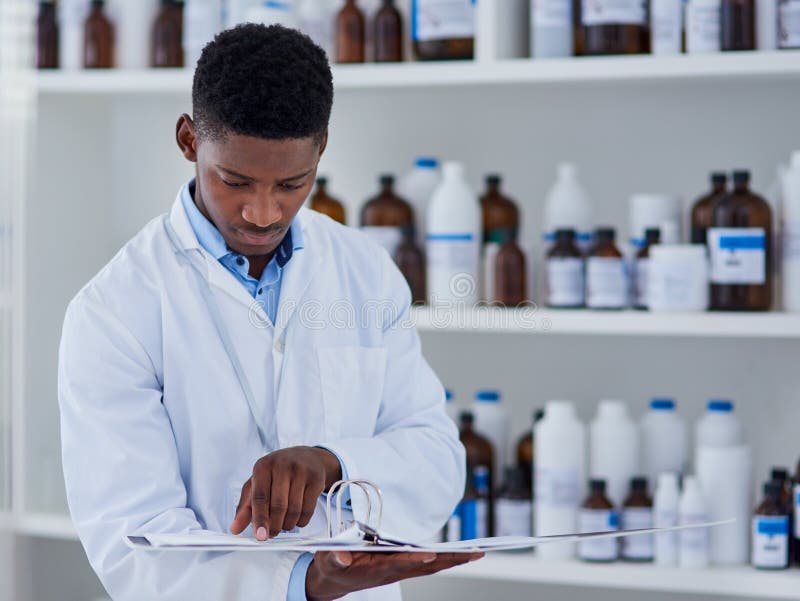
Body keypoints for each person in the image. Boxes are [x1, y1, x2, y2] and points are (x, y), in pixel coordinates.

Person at [58, 24, 479, 601]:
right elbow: (132, 541)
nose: (262, 211)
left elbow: (436, 458)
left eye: (291, 183)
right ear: (188, 140)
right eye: (234, 181)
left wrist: (334, 462)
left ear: (321, 149)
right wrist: (300, 582)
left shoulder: (364, 270)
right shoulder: (115, 310)